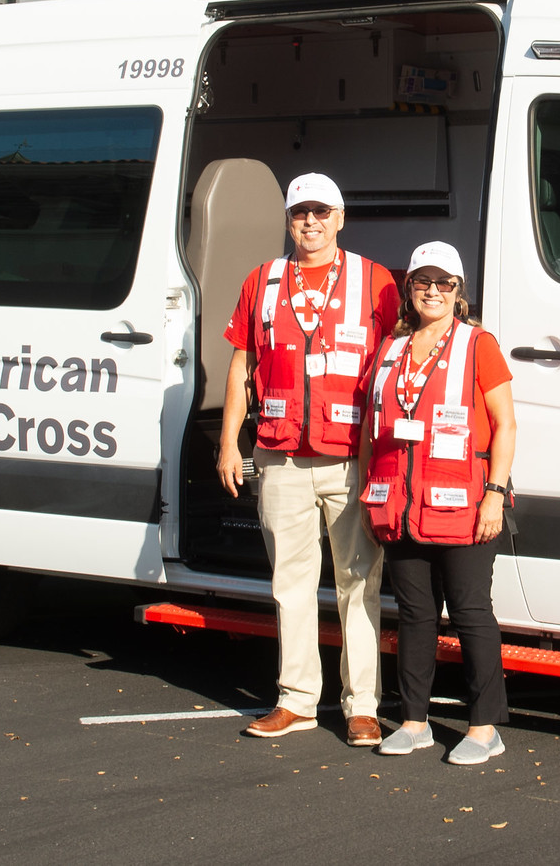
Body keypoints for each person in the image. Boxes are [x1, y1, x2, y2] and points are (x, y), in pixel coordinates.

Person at [217, 173, 400, 745]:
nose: (311, 222)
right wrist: (229, 442)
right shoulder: (262, 281)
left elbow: (400, 366)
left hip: (353, 458)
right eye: (301, 213)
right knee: (290, 584)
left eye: (322, 212)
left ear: (341, 218)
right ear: (288, 220)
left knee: (358, 583)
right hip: (280, 457)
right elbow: (241, 363)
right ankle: (296, 701)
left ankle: (362, 706)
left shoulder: (376, 282)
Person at [359, 242, 518, 764]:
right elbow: (371, 430)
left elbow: (505, 425)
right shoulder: (388, 350)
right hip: (401, 506)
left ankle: (483, 727)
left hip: (466, 504)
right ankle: (414, 721)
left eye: (443, 283)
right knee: (414, 615)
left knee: (472, 612)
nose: (433, 291)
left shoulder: (478, 345)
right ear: (410, 289)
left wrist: (494, 495)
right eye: (423, 282)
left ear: (459, 291)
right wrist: (369, 492)